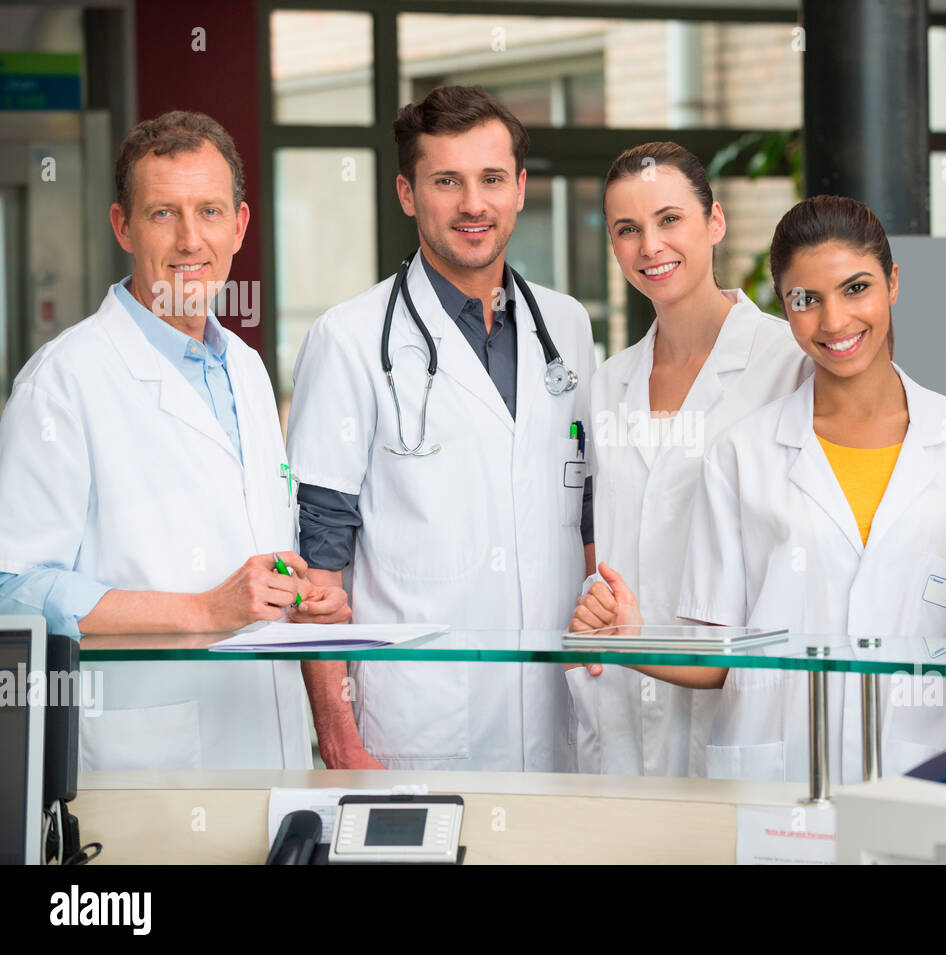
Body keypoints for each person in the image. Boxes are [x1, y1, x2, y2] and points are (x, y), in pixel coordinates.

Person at [572, 195, 946, 781]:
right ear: (784, 309)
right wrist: (632, 639)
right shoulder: (743, 454)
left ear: (893, 283)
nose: (834, 321)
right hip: (778, 777)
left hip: (930, 774)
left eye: (856, 288)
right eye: (806, 300)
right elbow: (722, 654)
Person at [0, 111, 346, 770]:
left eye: (210, 211)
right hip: (147, 769)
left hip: (269, 748)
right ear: (123, 227)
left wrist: (296, 594)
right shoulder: (65, 381)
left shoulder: (245, 367)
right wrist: (201, 610)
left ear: (239, 226)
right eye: (164, 214)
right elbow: (10, 586)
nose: (191, 240)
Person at [286, 85, 597, 771]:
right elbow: (320, 563)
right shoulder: (350, 338)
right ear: (407, 192)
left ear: (520, 188)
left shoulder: (568, 327)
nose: (473, 204)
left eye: (491, 179)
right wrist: (338, 736)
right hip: (416, 726)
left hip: (557, 716)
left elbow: (586, 514)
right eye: (446, 181)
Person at [564, 142, 811, 777]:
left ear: (715, 221)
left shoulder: (791, 363)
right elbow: (611, 535)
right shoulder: (610, 382)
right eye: (627, 229)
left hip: (737, 696)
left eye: (669, 219)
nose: (650, 246)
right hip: (622, 690)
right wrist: (597, 604)